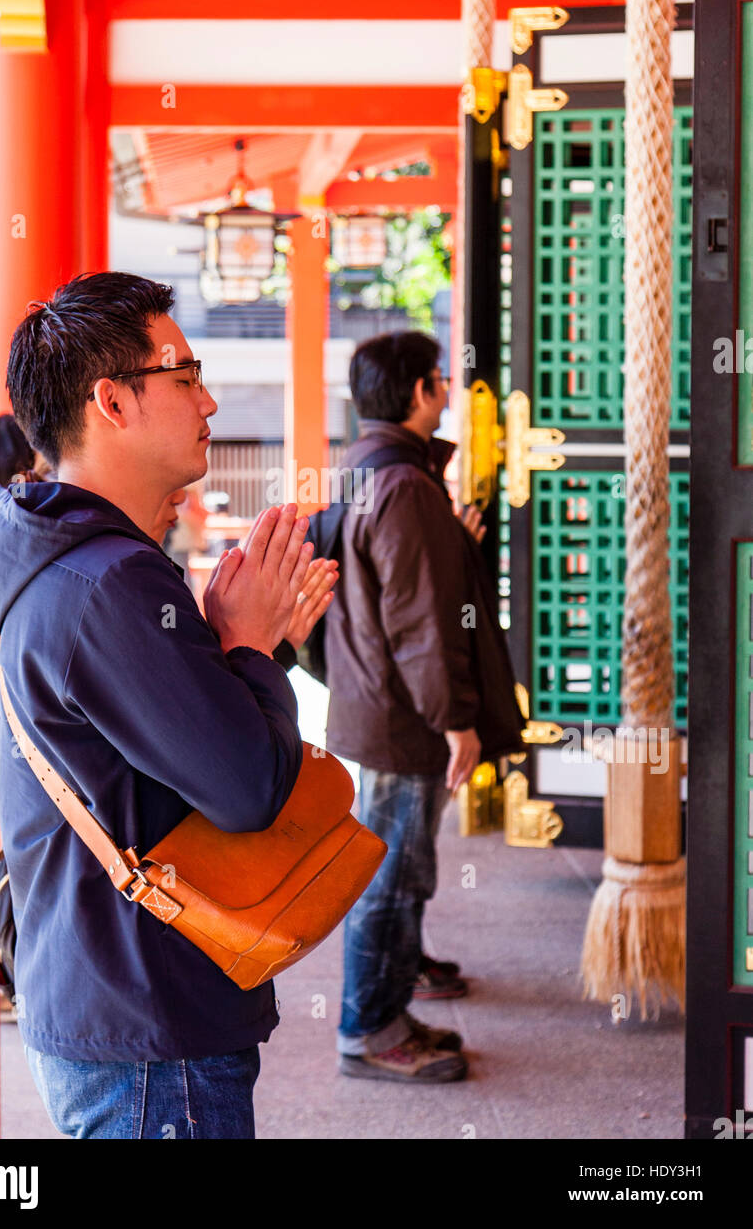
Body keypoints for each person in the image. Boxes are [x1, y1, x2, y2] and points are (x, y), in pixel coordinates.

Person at [0, 272, 321, 1140]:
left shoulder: (55, 555)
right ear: (112, 401)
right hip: (148, 1021)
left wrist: (243, 642)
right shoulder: (109, 578)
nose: (210, 400)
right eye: (185, 375)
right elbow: (246, 787)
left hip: (100, 989)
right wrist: (248, 645)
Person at [325, 330, 524, 1083]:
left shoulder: (366, 468)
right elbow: (420, 621)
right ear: (418, 394)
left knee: (397, 870)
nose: (447, 391)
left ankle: (385, 1013)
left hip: (374, 703)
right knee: (394, 876)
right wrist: (457, 721)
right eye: (440, 380)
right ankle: (368, 1031)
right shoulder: (406, 485)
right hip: (405, 716)